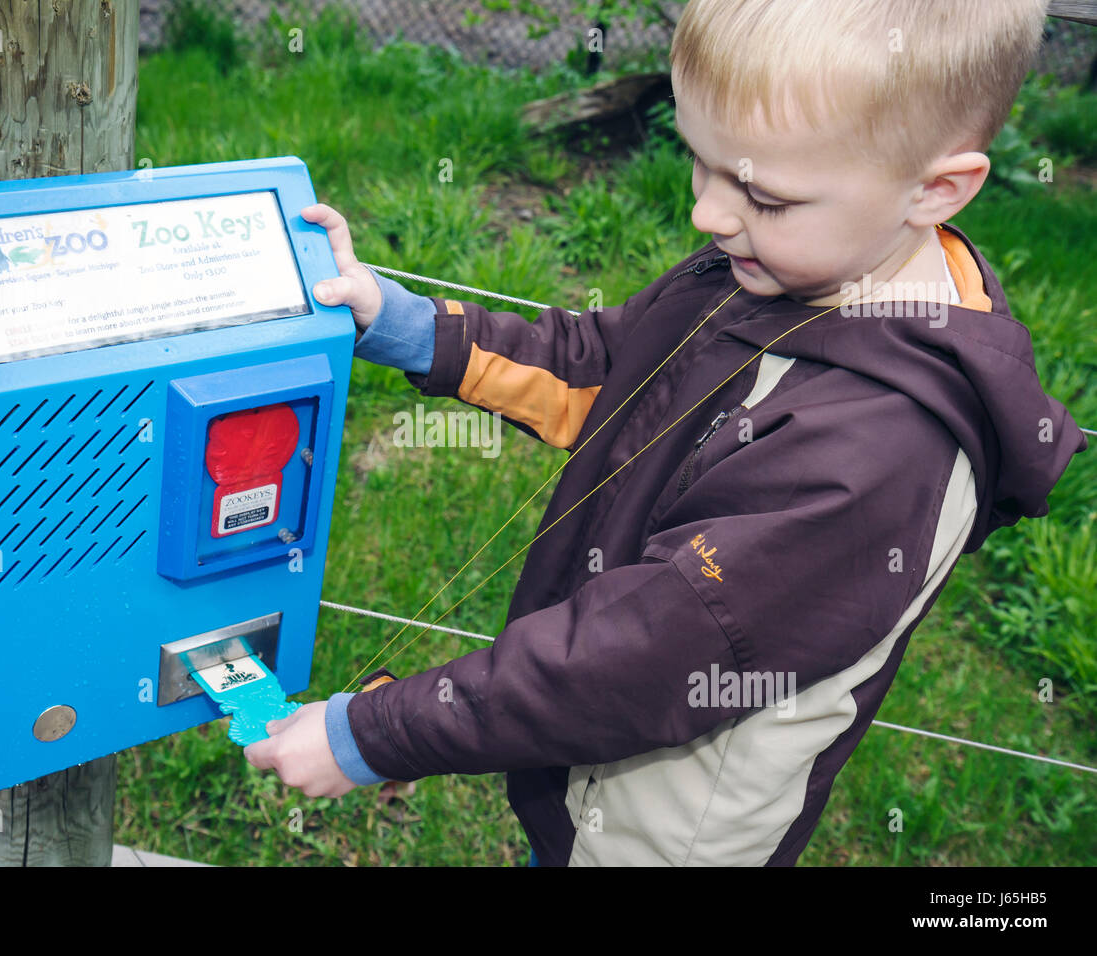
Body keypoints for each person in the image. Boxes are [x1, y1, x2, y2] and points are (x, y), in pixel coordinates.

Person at [245, 0, 1088, 865]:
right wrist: (410, 326)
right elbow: (609, 371)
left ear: (937, 189)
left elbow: (628, 657)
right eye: (701, 163)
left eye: (761, 192)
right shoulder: (779, 264)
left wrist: (377, 732)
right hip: (582, 765)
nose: (709, 216)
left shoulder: (874, 455)